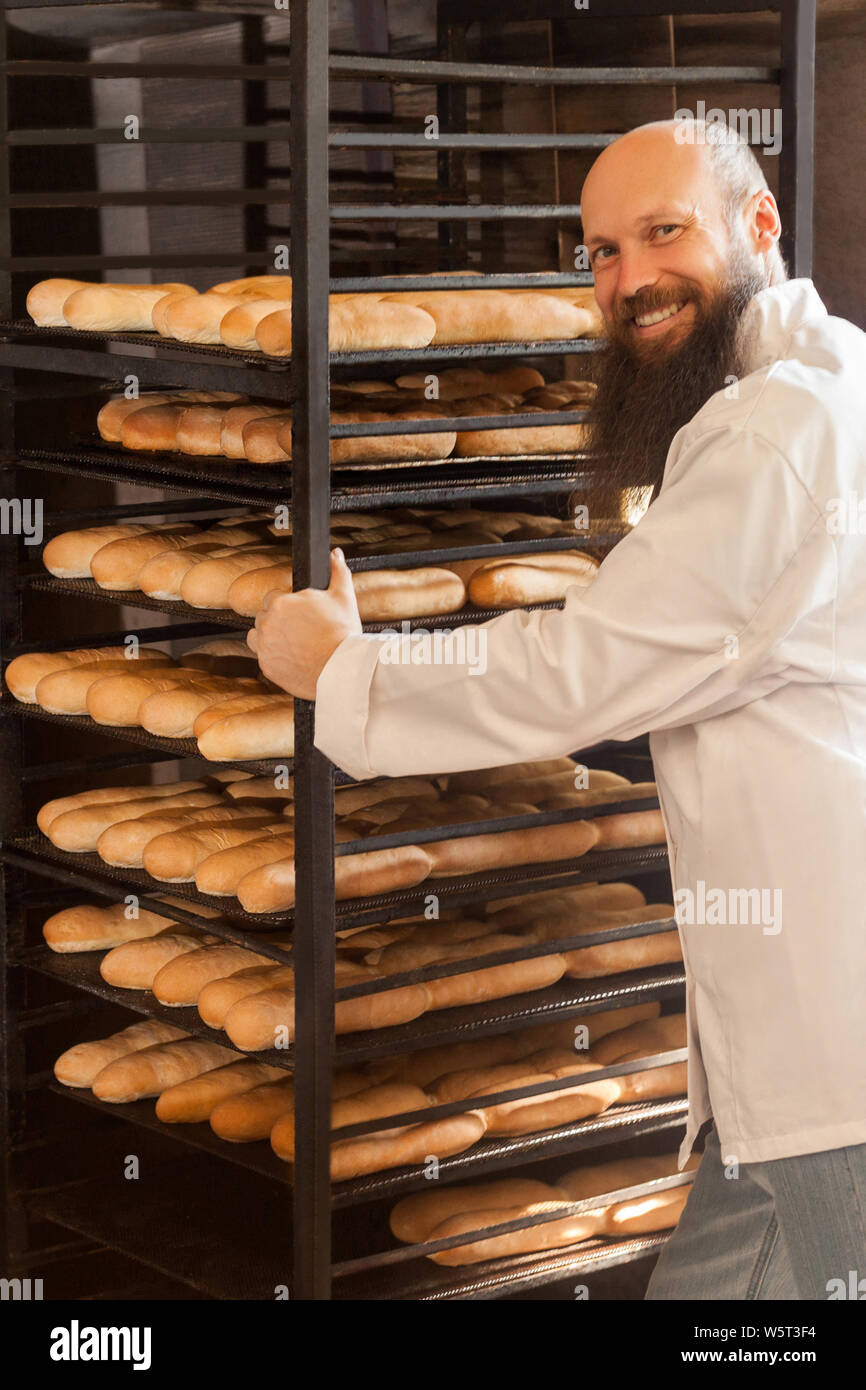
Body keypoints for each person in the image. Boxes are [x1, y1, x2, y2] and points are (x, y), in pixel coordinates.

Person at [246, 120, 866, 1300]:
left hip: (832, 1072)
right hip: (777, 1078)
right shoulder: (815, 389)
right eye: (597, 252)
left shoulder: (779, 433)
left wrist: (344, 668)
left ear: (759, 225)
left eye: (661, 231)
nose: (628, 278)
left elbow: (584, 667)